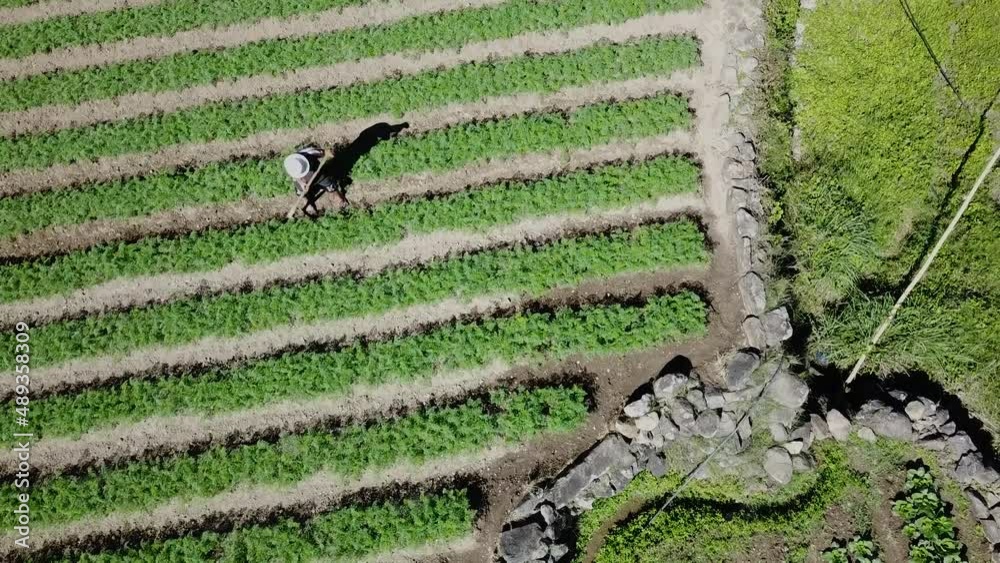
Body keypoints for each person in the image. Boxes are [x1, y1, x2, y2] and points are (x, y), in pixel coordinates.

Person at [283, 122, 410, 217]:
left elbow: (325, 153)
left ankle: (338, 198)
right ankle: (309, 203)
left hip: (318, 173)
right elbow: (295, 176)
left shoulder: (308, 153)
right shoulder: (291, 165)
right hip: (303, 179)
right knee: (301, 192)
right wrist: (301, 182)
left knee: (330, 185)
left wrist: (328, 154)